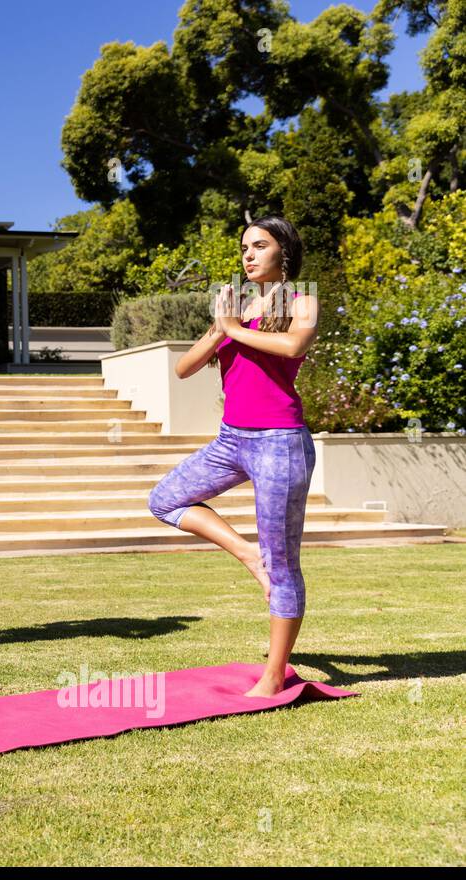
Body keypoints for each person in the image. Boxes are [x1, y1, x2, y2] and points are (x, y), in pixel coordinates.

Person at [147, 215, 321, 697]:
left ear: (282, 252)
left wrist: (233, 328)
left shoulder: (302, 301)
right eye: (244, 247)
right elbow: (184, 368)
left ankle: (272, 675)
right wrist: (219, 329)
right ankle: (248, 553)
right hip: (231, 439)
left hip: (280, 442)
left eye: (259, 246)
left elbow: (291, 345)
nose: (247, 254)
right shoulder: (236, 307)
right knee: (164, 500)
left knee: (283, 563)